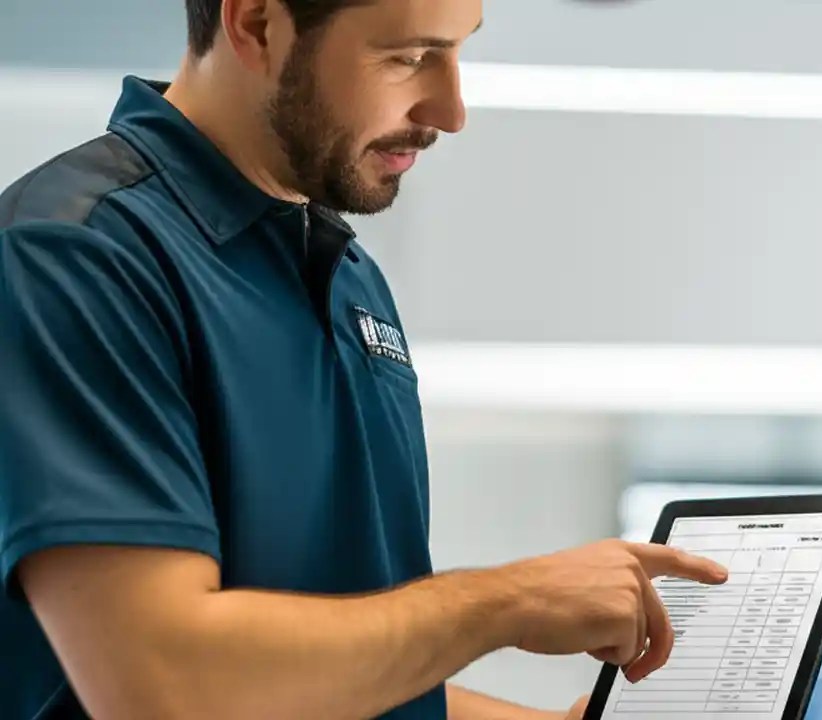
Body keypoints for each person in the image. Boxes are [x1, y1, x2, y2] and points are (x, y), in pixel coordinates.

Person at [0, 1, 729, 718]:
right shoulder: (76, 255)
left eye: (457, 50)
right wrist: (511, 601)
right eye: (408, 57)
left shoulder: (348, 276)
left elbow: (321, 680)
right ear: (255, 24)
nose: (450, 110)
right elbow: (160, 682)